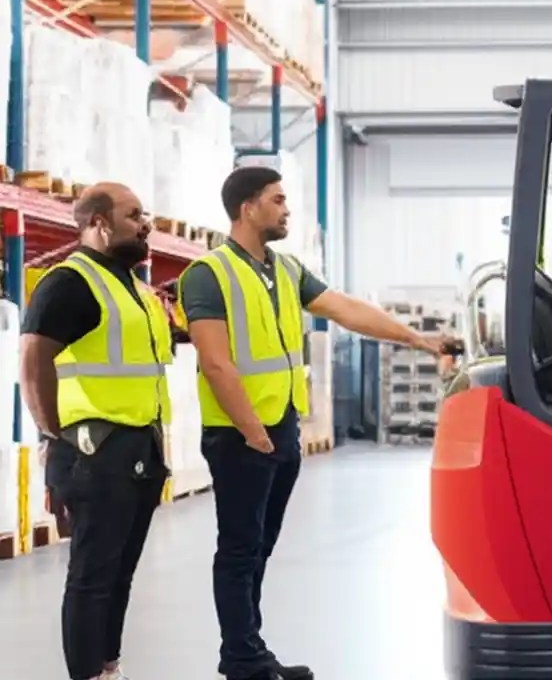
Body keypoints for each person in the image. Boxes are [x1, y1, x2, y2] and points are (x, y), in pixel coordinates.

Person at [176, 166, 445, 680]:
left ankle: (249, 650)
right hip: (240, 434)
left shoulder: (286, 269)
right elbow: (215, 361)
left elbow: (346, 310)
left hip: (279, 428)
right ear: (247, 208)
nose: (286, 210)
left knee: (260, 545)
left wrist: (418, 339)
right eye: (277, 201)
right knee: (239, 547)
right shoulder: (208, 273)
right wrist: (253, 432)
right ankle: (241, 659)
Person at [18, 183, 173, 680]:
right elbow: (32, 359)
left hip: (138, 448)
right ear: (100, 224)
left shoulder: (135, 289)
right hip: (92, 451)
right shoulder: (70, 282)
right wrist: (52, 435)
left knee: (120, 573)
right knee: (92, 576)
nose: (145, 223)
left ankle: (108, 666)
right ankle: (87, 673)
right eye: (134, 215)